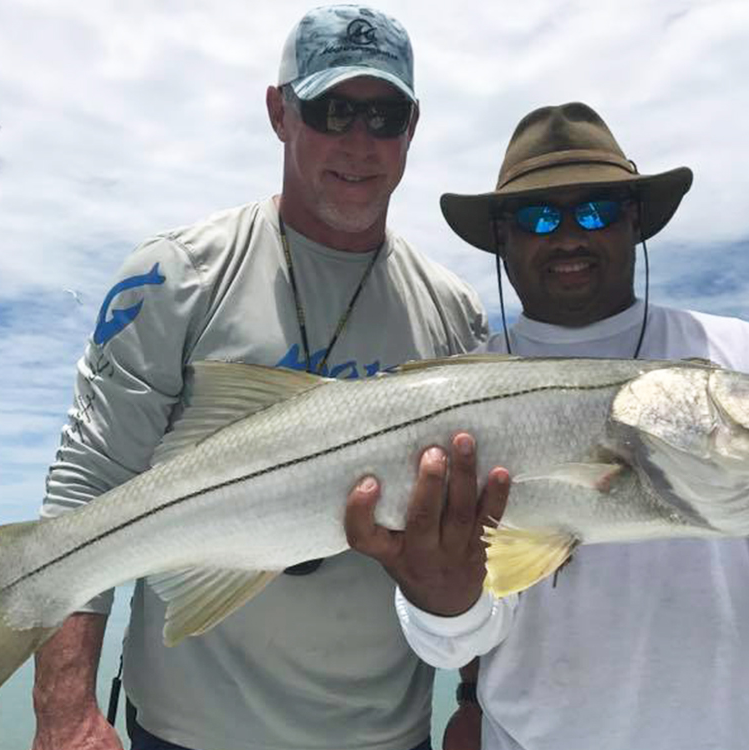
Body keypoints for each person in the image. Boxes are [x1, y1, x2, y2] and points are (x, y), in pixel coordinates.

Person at [346, 102, 749, 750]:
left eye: (596, 210)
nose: (568, 234)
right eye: (538, 216)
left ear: (635, 220)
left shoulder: (739, 354)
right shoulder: (454, 396)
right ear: (502, 237)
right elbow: (458, 635)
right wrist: (442, 600)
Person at [30, 7, 490, 750]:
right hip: (182, 732)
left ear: (413, 126)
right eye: (333, 108)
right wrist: (64, 710)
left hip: (385, 735)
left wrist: (475, 695)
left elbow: (483, 531)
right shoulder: (177, 275)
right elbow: (89, 487)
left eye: (384, 115)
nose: (359, 142)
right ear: (280, 110)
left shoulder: (454, 313)